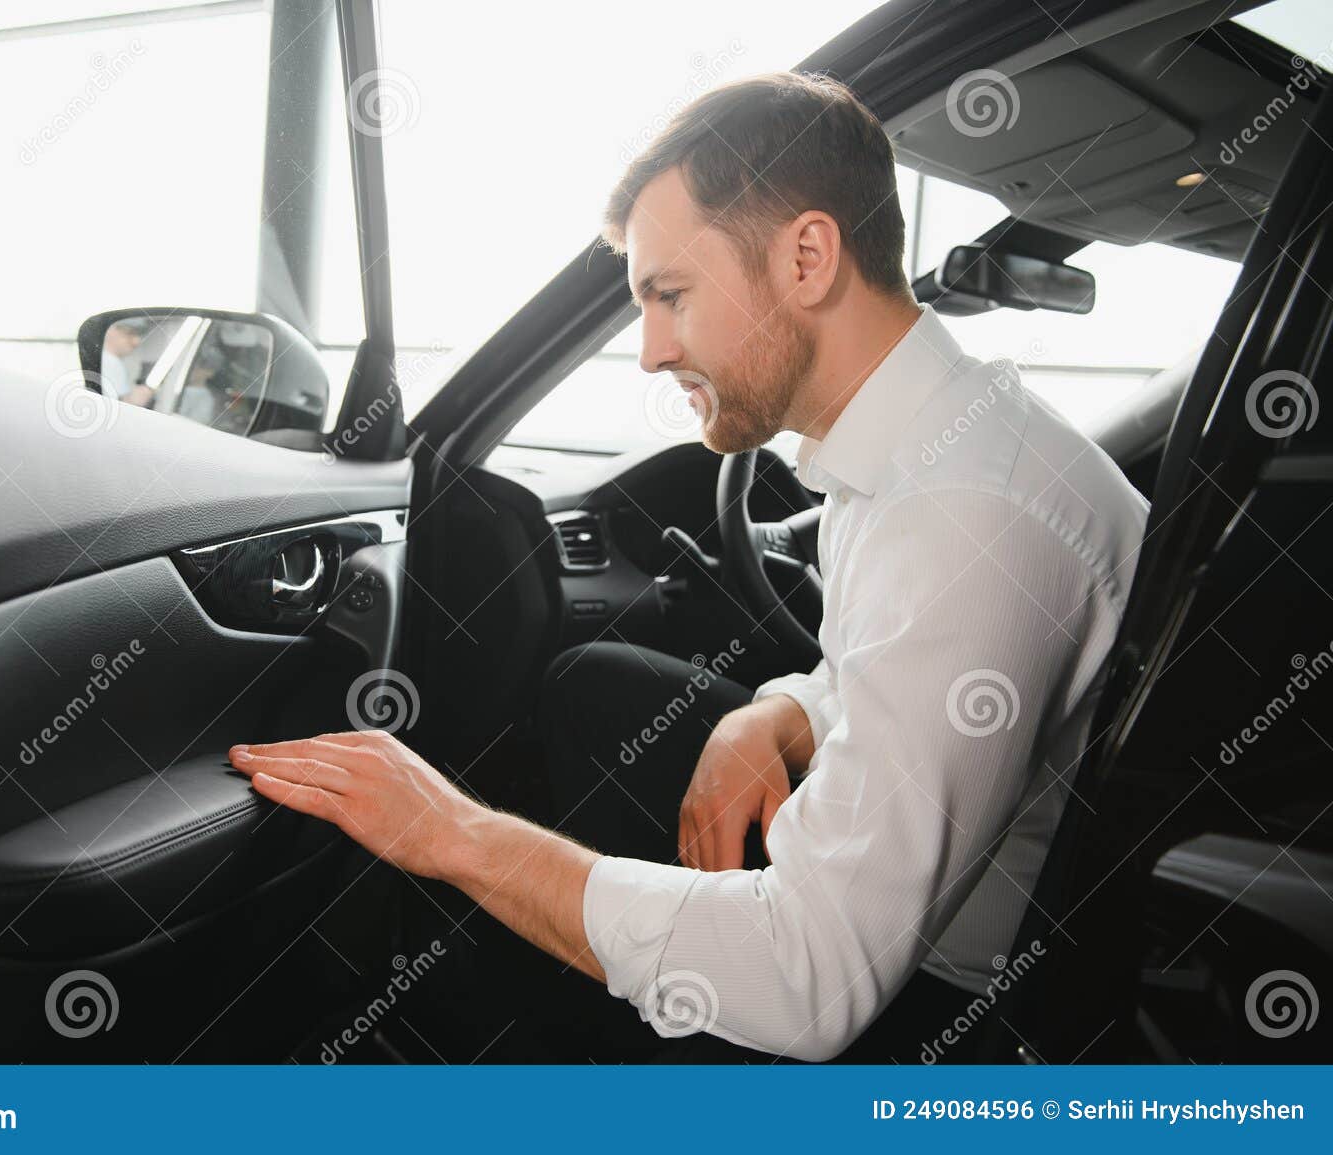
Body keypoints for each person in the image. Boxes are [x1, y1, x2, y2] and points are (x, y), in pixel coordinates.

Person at [227, 72, 1149, 1061]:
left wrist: (455, 835)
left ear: (806, 258)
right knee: (597, 692)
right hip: (945, 907)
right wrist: (777, 715)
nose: (651, 352)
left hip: (953, 1002)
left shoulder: (965, 513)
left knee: (483, 948)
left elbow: (808, 984)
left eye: (670, 296)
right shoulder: (921, 445)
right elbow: (881, 671)